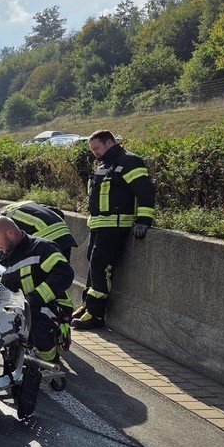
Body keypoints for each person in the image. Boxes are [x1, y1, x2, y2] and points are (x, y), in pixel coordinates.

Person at [73, 130, 156, 330]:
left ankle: (96, 315)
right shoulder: (104, 165)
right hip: (98, 225)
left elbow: (145, 191)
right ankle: (88, 304)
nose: (95, 153)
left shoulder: (129, 161)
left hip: (116, 226)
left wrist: (144, 220)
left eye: (97, 148)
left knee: (101, 266)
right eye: (92, 150)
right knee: (93, 266)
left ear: (109, 143)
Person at [0, 216, 74, 365]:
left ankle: (49, 361)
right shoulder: (0, 258)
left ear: (10, 233)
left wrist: (31, 299)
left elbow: (64, 274)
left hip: (52, 307)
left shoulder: (41, 248)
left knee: (32, 314)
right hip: (19, 308)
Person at [0, 200, 77, 262]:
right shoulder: (20, 204)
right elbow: (57, 211)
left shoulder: (1, 219)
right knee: (61, 272)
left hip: (48, 238)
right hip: (64, 233)